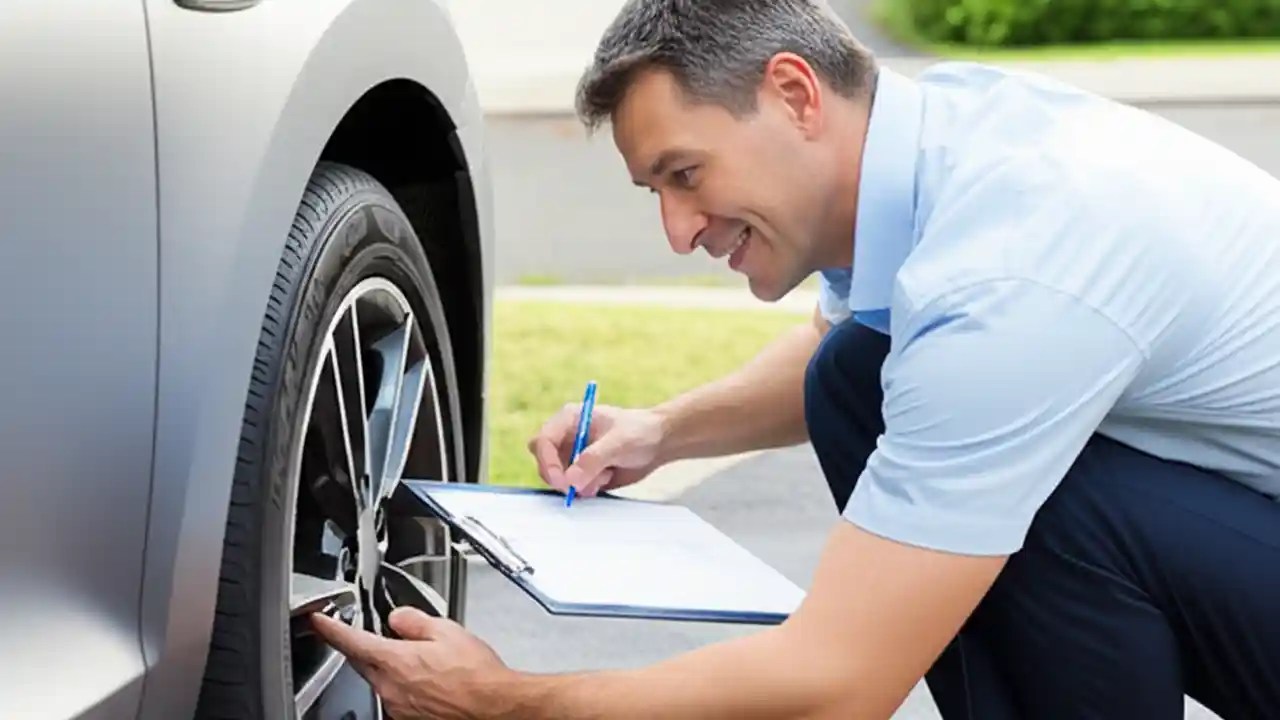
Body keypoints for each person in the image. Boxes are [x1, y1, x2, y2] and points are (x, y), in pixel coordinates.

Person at [312, 0, 1280, 717]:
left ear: (792, 92)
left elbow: (839, 681)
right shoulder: (952, 142)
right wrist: (662, 433)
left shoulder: (1006, 277)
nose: (677, 231)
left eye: (684, 176)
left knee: (1030, 491)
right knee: (854, 374)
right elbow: (843, 342)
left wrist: (506, 700)